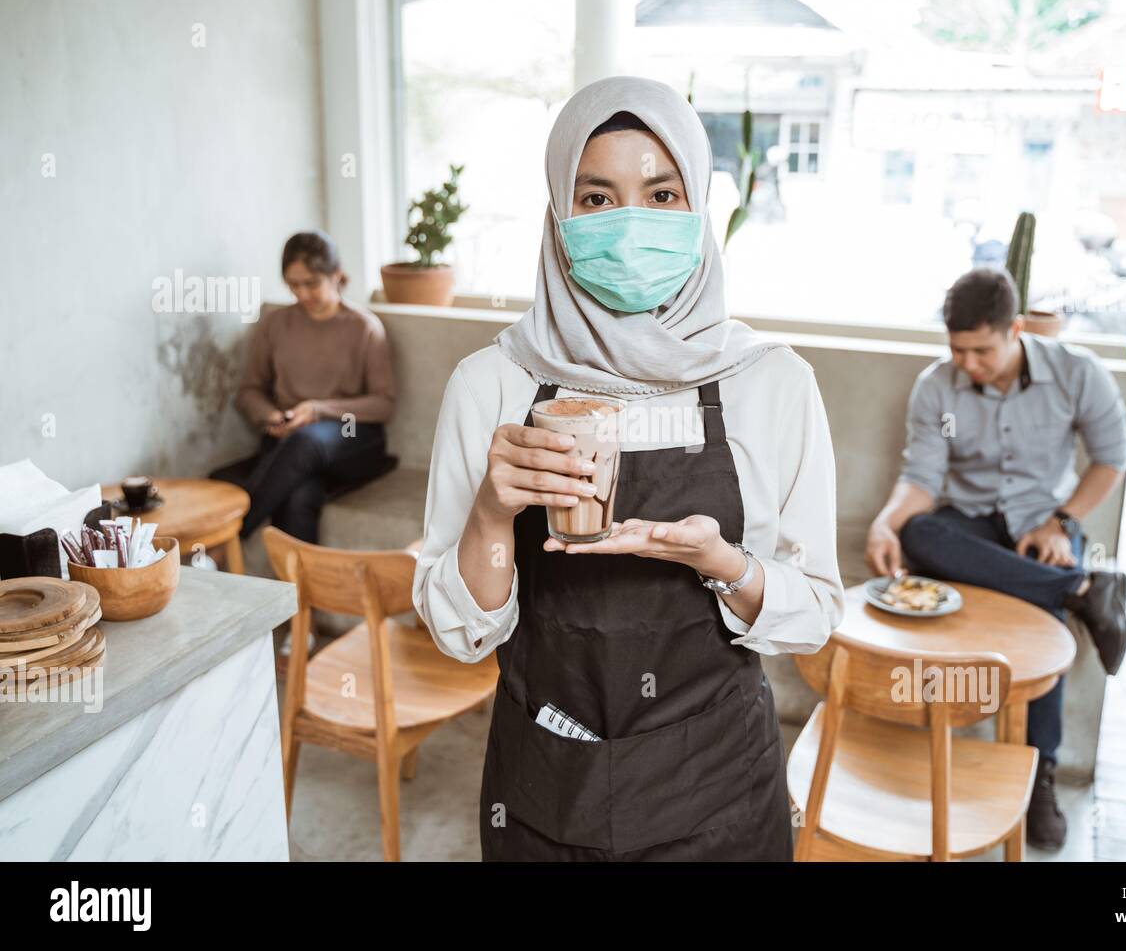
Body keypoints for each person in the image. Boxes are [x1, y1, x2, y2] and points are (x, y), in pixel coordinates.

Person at [411, 76, 845, 861]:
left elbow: (814, 611)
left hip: (718, 790)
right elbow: (459, 636)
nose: (632, 223)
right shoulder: (493, 383)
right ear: (558, 214)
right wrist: (488, 516)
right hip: (548, 786)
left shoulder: (771, 383)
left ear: (699, 210)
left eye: (663, 193)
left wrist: (725, 565)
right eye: (598, 198)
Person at [865, 266, 1126, 851]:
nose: (968, 365)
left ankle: (1041, 783)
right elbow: (922, 479)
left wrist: (1061, 522)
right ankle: (1081, 591)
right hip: (973, 524)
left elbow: (1111, 458)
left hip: (1045, 522)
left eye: (981, 350)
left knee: (1044, 623)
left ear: (1015, 329)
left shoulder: (1076, 372)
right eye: (957, 350)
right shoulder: (937, 386)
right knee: (921, 535)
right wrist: (887, 521)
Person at [225, 230, 396, 544]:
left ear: (336, 276)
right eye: (293, 284)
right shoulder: (276, 324)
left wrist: (318, 410)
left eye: (312, 283)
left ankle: (229, 538)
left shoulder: (364, 327)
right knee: (298, 495)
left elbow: (383, 403)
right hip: (289, 442)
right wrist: (271, 417)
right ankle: (297, 594)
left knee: (306, 440)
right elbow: (249, 391)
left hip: (350, 434)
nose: (302, 294)